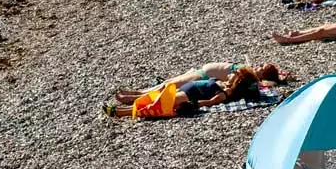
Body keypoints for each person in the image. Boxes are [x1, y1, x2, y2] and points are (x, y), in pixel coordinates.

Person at [107, 65, 273, 118]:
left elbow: (210, 102)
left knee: (156, 104)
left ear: (238, 81)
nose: (231, 73)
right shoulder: (224, 85)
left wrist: (195, 104)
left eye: (234, 74)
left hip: (189, 95)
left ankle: (121, 112)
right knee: (155, 97)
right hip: (188, 90)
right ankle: (124, 109)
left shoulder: (225, 93)